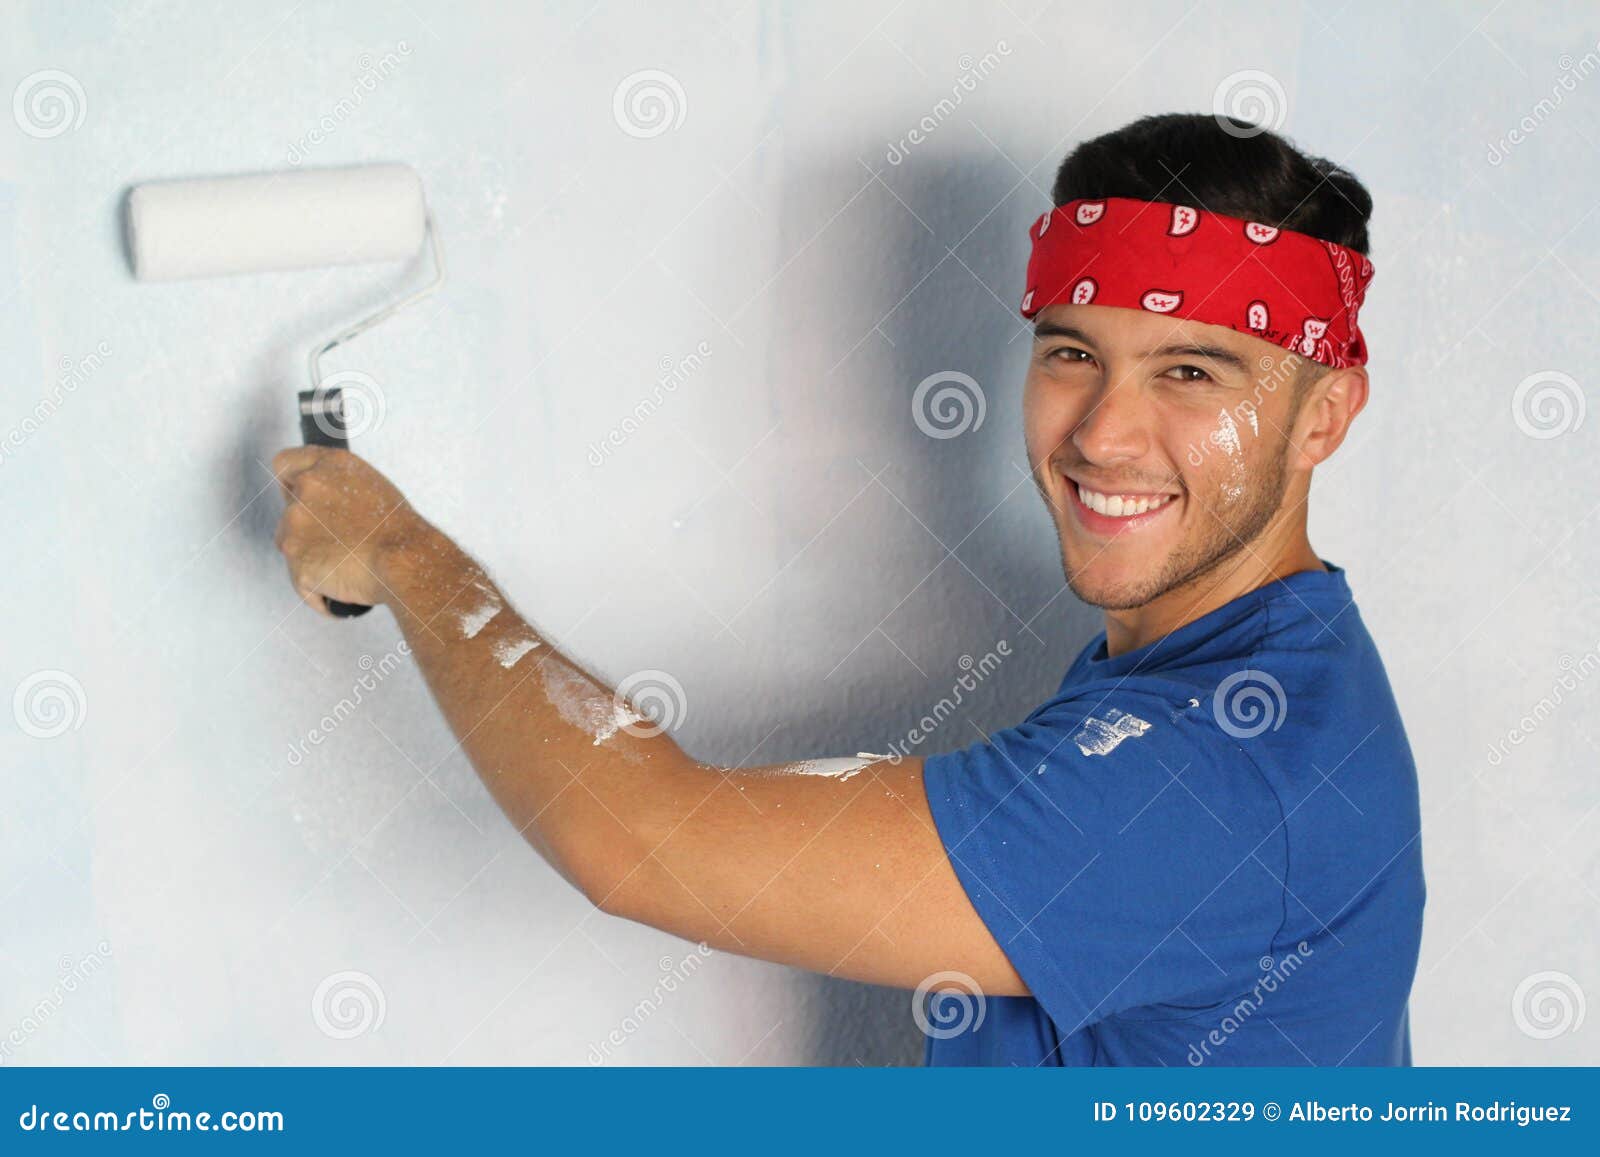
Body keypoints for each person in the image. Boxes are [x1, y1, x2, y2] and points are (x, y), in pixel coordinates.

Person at [272, 112, 1424, 1066]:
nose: (1103, 433)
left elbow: (636, 842)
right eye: (1072, 352)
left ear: (1321, 417)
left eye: (1190, 371)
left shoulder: (1216, 774)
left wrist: (402, 552)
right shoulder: (1256, 663)